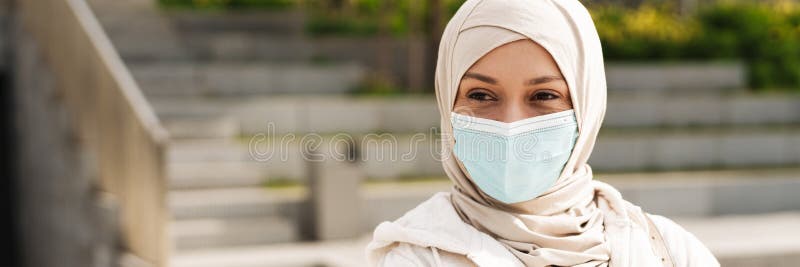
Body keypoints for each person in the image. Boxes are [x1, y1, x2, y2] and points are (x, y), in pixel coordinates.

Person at [366, 0, 719, 266]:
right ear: (447, 101)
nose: (510, 125)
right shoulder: (416, 256)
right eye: (481, 95)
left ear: (587, 104)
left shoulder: (669, 251)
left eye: (544, 96)